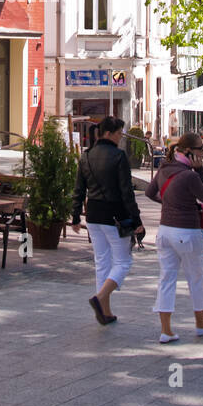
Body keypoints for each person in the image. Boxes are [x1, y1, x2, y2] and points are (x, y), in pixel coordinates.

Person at [148, 134, 203, 343]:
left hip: (165, 231)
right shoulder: (190, 175)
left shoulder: (164, 168)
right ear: (188, 150)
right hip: (187, 231)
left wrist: (169, 203)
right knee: (197, 277)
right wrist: (200, 170)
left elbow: (150, 193)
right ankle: (201, 322)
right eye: (200, 148)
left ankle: (166, 329)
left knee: (166, 279)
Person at [71, 115, 143, 325]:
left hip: (93, 213)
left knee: (102, 262)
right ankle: (101, 298)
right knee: (123, 261)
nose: (121, 137)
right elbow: (126, 191)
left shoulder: (86, 155)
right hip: (114, 215)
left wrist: (76, 215)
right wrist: (136, 218)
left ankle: (105, 310)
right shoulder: (119, 156)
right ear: (108, 133)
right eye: (119, 133)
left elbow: (79, 189)